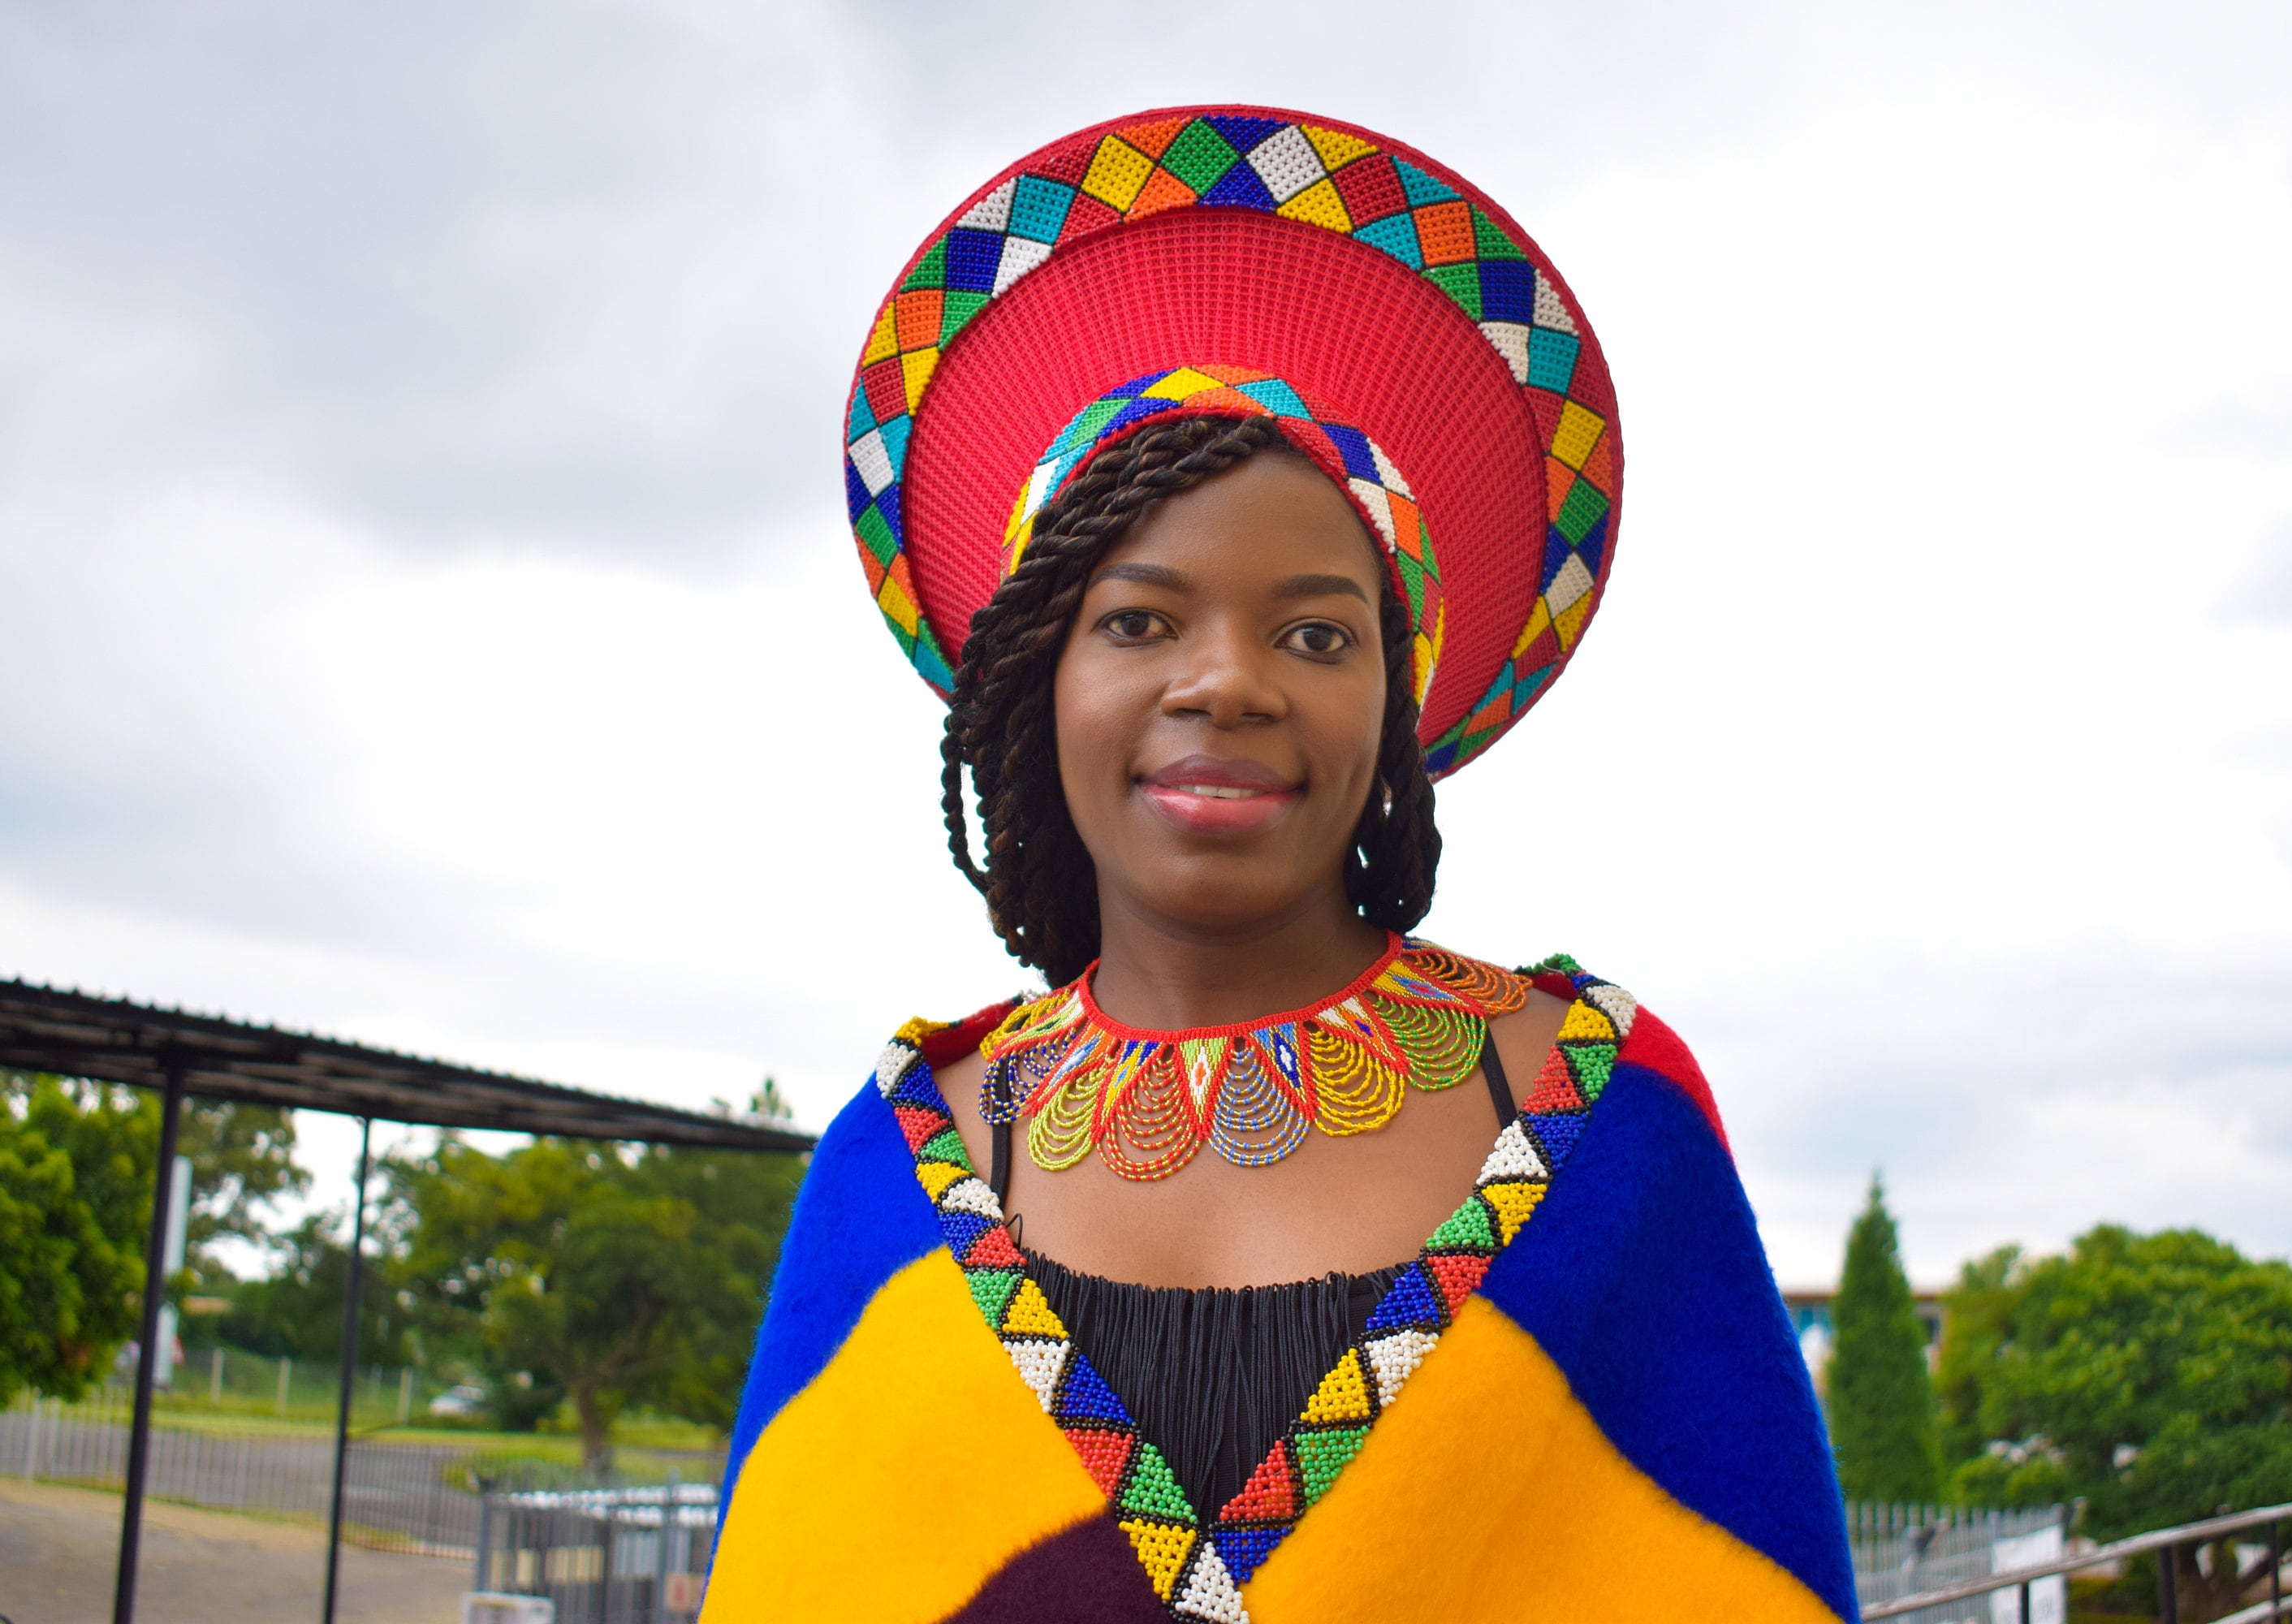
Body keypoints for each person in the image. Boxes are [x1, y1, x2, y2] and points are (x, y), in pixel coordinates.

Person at [705, 106, 1856, 1624]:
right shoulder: (898, 1155)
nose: (1227, 683)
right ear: (1040, 679)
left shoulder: (1602, 1113)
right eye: (1138, 621)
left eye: (1317, 632)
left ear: (1397, 700)